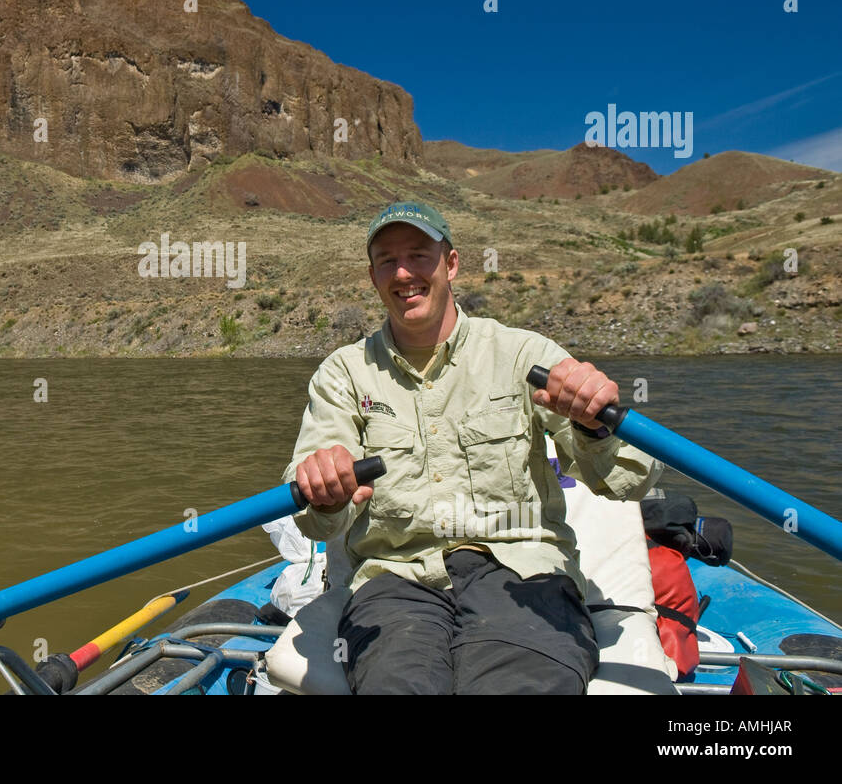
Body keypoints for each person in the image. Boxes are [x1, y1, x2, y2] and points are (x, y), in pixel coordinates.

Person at [283, 201, 661, 694]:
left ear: (452, 264)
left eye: (419, 255)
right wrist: (325, 491)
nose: (403, 273)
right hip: (396, 582)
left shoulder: (526, 355)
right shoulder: (343, 374)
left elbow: (630, 479)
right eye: (386, 261)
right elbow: (314, 520)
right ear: (373, 276)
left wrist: (593, 426)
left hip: (523, 575)